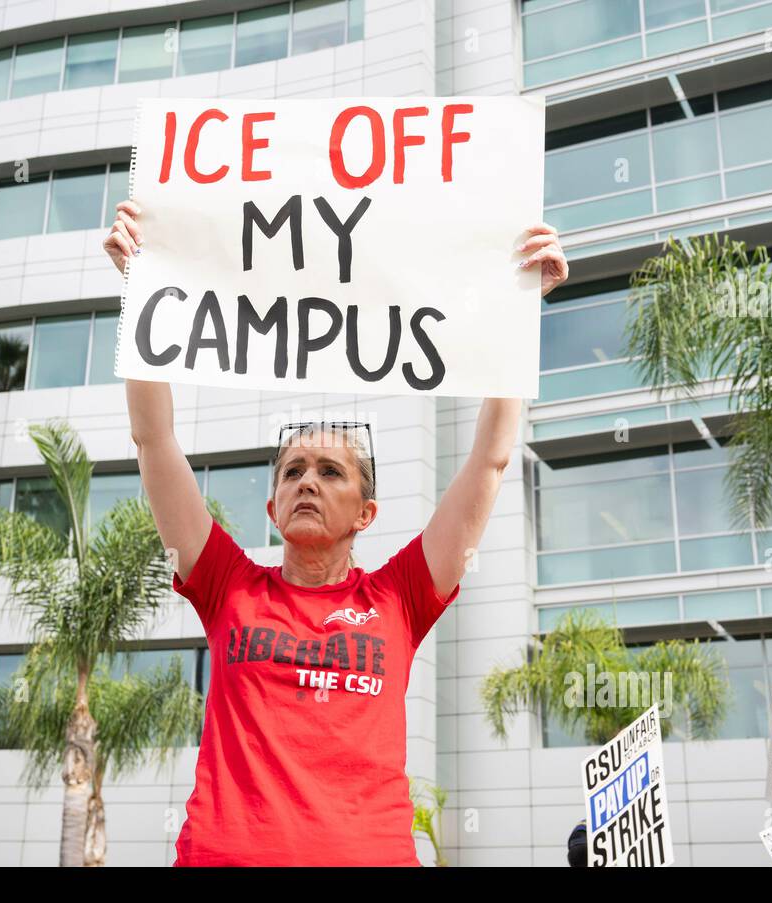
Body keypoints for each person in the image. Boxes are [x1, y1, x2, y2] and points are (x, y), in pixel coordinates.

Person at [104, 201, 568, 866]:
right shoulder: (226, 584)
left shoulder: (401, 597)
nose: (307, 482)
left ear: (365, 514)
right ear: (271, 508)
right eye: (292, 471)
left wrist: (522, 310)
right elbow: (155, 442)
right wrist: (139, 289)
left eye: (329, 471)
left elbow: (489, 464)